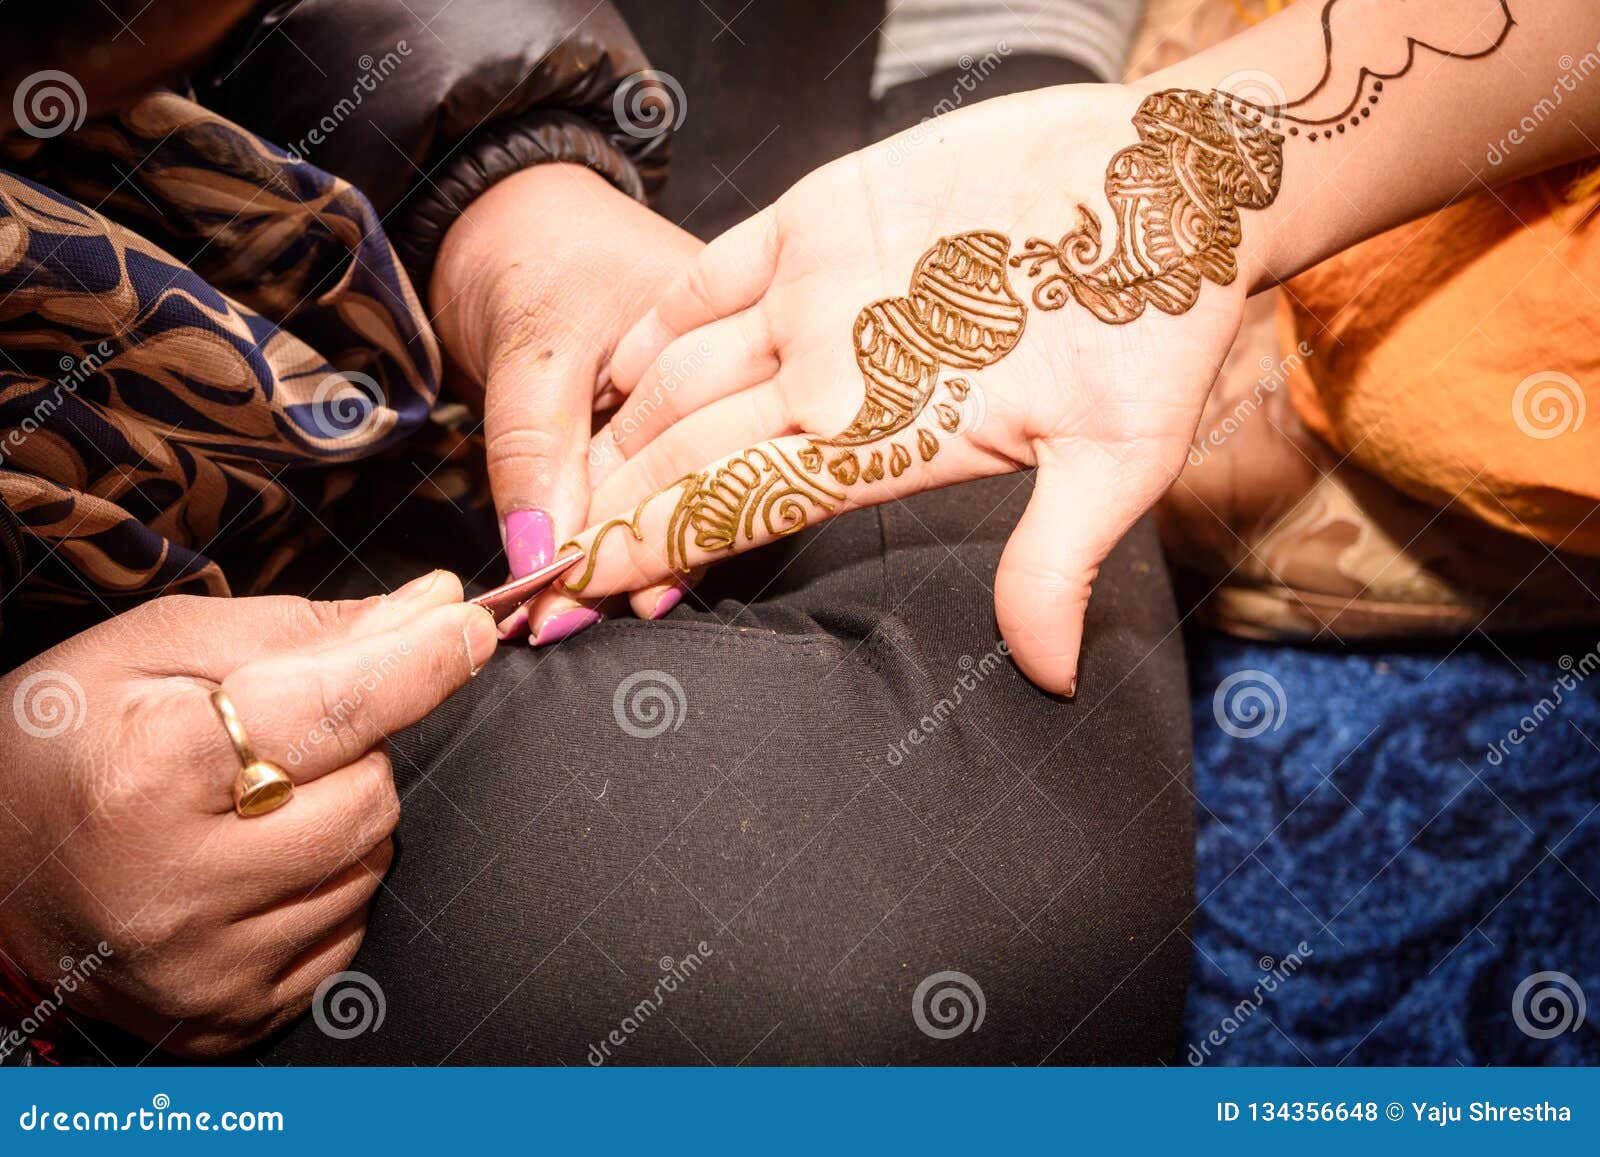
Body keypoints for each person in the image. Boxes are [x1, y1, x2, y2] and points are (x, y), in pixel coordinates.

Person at [1, 1, 1192, 1065]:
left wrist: (500, 180)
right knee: (898, 944)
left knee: (997, 832)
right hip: (108, 809)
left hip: (400, 302)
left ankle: (957, 88)